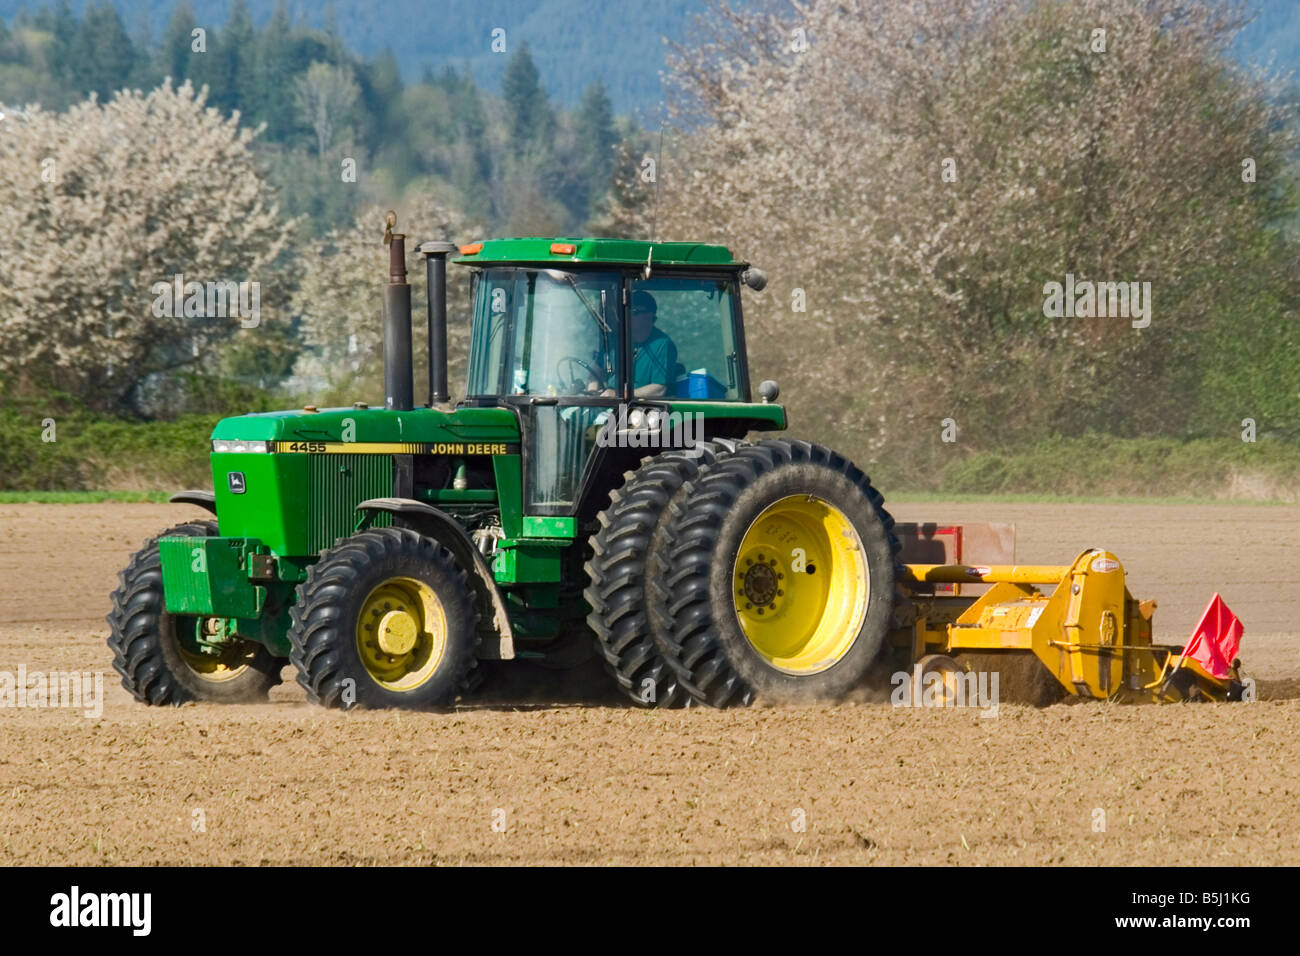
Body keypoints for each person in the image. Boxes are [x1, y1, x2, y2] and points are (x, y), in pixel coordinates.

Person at [590, 290, 677, 398]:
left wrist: (619, 395)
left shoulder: (663, 344)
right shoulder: (614, 340)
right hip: (609, 405)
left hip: (641, 410)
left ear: (650, 316)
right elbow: (597, 370)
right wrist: (592, 393)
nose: (627, 316)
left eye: (634, 312)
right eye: (626, 312)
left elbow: (659, 389)